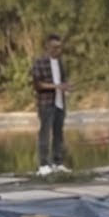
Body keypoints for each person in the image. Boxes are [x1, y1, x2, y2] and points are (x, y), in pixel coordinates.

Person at [30, 33, 71, 176]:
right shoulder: (39, 62)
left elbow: (63, 80)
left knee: (59, 134)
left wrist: (66, 87)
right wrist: (56, 86)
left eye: (60, 47)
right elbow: (38, 84)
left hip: (60, 103)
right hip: (46, 103)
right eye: (55, 47)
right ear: (47, 47)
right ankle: (43, 165)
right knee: (45, 134)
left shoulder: (60, 62)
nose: (58, 50)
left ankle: (57, 162)